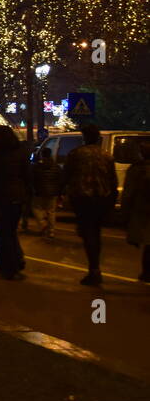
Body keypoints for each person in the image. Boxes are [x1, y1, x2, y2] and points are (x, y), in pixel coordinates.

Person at [62, 123, 119, 287]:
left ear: (85, 137)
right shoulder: (106, 155)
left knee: (88, 233)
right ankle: (95, 268)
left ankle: (93, 269)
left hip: (82, 199)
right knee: (96, 232)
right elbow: (113, 181)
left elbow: (66, 175)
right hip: (101, 198)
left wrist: (62, 192)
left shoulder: (76, 154)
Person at [0, 125, 29, 280]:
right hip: (16, 197)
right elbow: (26, 174)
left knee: (3, 233)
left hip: (1, 197)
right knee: (8, 231)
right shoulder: (19, 152)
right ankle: (8, 263)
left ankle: (9, 267)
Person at [119, 139, 150, 284]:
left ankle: (146, 272)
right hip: (142, 209)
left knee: (147, 241)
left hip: (142, 209)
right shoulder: (138, 169)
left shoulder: (137, 169)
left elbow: (128, 193)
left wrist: (125, 213)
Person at [30, 146, 62, 238]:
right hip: (53, 192)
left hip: (40, 191)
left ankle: (42, 223)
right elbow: (59, 179)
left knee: (36, 208)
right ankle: (51, 231)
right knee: (51, 211)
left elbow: (33, 179)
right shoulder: (56, 166)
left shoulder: (37, 166)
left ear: (42, 155)